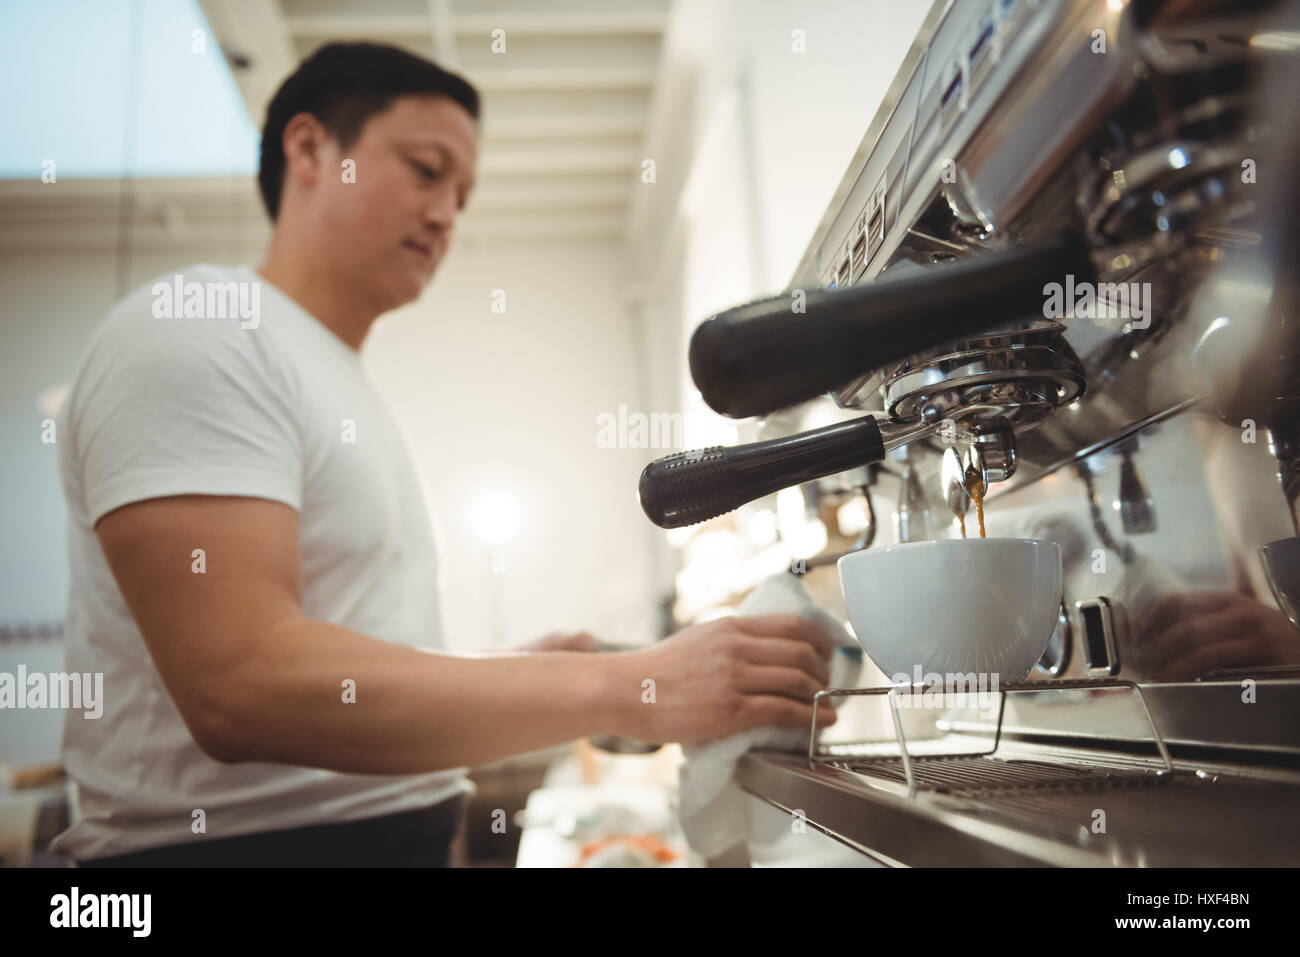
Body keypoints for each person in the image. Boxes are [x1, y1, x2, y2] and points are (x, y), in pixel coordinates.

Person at [51, 42, 836, 867]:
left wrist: (503, 673)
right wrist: (627, 686)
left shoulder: (335, 375)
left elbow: (333, 658)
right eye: (426, 171)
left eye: (462, 195)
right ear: (310, 148)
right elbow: (241, 686)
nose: (445, 215)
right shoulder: (197, 329)